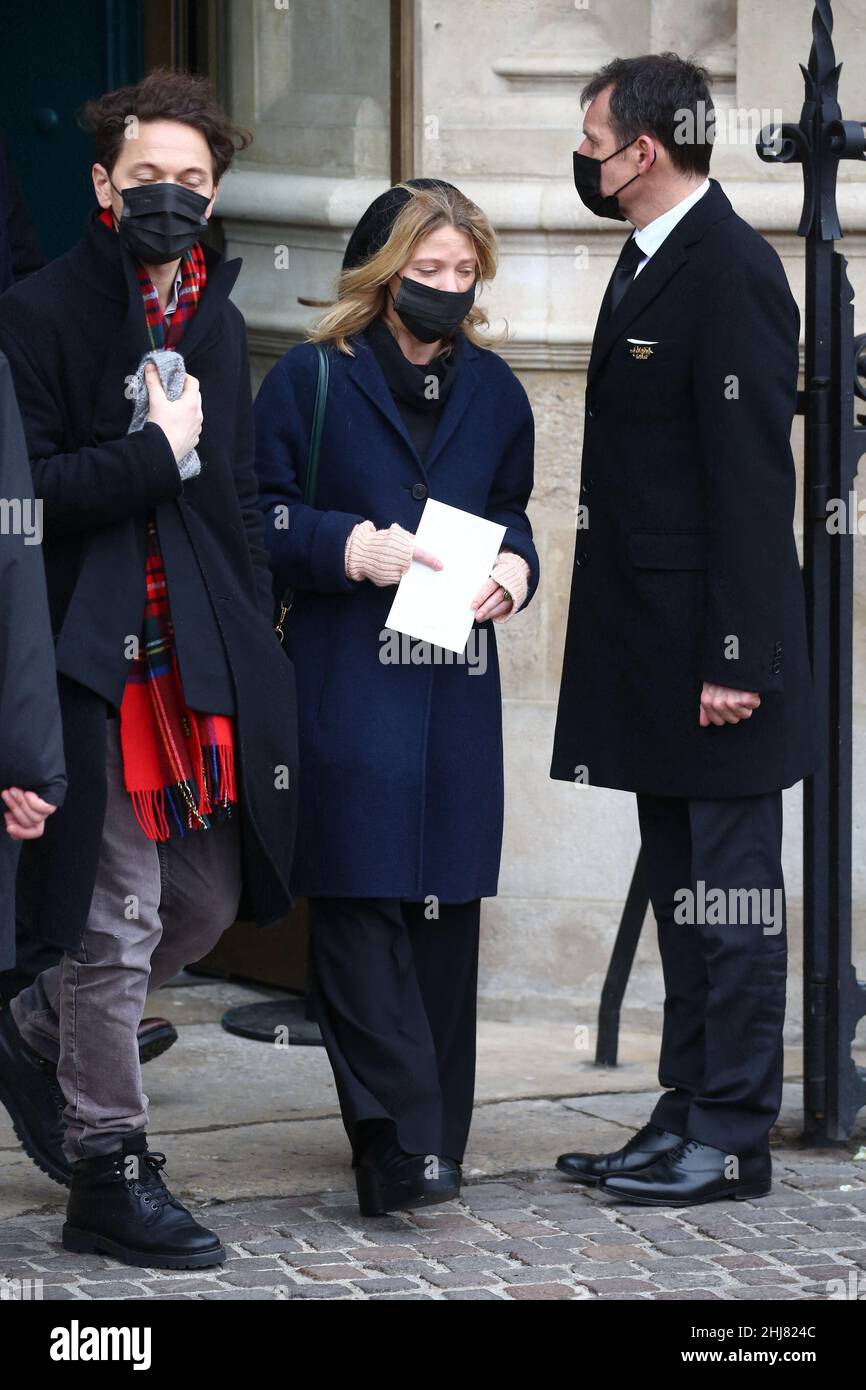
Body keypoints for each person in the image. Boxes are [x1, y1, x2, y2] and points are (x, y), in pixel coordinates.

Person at [0, 69, 299, 1270]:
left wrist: (256, 642)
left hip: (194, 667)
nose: (166, 199)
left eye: (188, 181)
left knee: (206, 904)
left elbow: (224, 494)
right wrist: (144, 452)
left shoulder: (218, 326)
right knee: (115, 922)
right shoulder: (40, 313)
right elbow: (31, 497)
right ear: (100, 187)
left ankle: (31, 1024)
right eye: (145, 181)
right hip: (86, 656)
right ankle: (110, 1169)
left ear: (215, 193)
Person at [550, 53, 816, 1206]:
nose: (584, 158)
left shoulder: (731, 269)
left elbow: (755, 489)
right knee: (678, 893)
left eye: (593, 139)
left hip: (714, 659)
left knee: (730, 900)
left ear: (643, 152)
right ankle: (683, 1105)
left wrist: (735, 661)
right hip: (651, 645)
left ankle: (731, 1130)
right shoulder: (651, 256)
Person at [254, 179, 539, 1215]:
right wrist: (346, 545)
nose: (447, 291)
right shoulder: (305, 379)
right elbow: (256, 518)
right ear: (381, 279)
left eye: (463, 274)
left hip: (454, 685)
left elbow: (513, 520)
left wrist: (515, 571)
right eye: (427, 274)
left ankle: (435, 1139)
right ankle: (394, 1144)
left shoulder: (497, 392)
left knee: (441, 913)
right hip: (345, 677)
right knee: (359, 901)